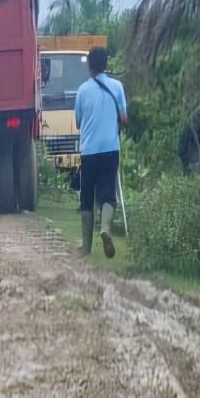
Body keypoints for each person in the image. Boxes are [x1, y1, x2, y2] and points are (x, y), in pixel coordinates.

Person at [73, 47, 127, 259]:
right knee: (107, 194)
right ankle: (105, 228)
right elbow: (123, 119)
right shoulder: (118, 87)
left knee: (87, 196)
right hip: (110, 149)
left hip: (89, 151)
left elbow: (78, 122)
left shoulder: (82, 90)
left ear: (90, 66)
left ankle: (86, 247)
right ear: (107, 64)